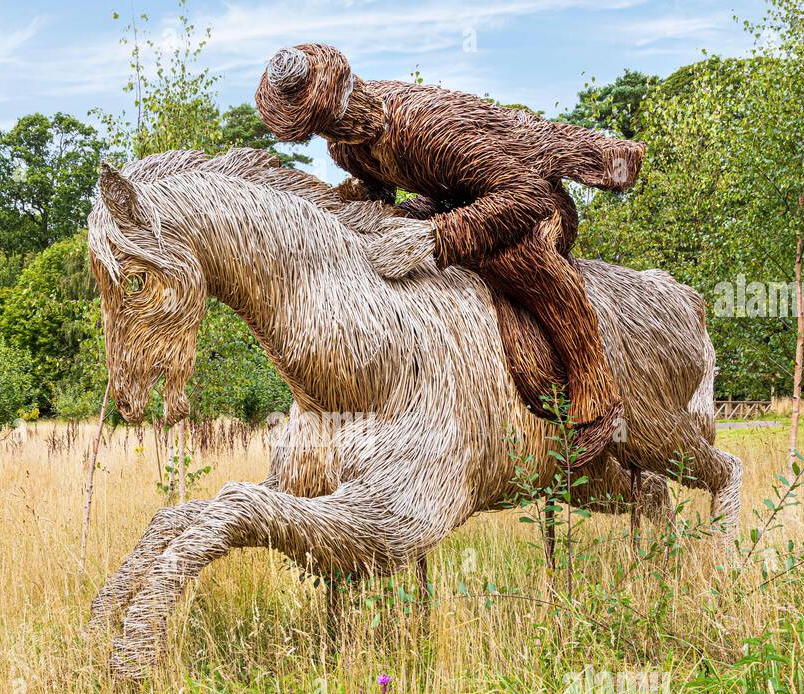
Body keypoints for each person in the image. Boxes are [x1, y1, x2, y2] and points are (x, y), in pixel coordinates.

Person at [255, 43, 645, 462]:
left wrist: (435, 238)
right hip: (452, 202)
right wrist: (368, 202)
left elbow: (525, 194)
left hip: (533, 204)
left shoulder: (427, 127)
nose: (332, 134)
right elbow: (383, 189)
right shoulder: (346, 147)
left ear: (350, 91)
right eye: (321, 129)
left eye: (332, 119)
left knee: (518, 261)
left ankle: (595, 390)